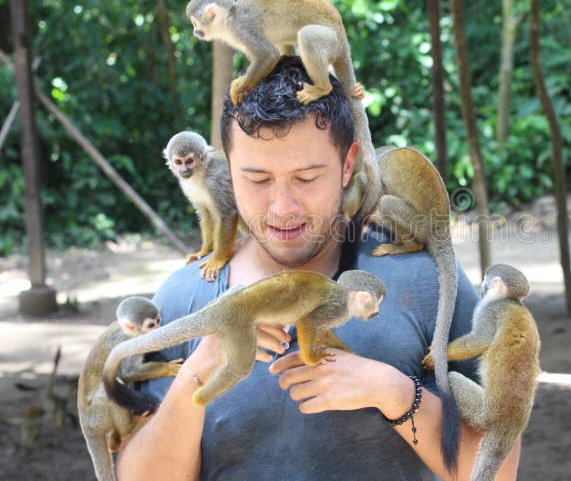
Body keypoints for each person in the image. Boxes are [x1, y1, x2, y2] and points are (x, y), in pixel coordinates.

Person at [116, 56, 522, 480]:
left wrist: (398, 395)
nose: (283, 207)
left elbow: (499, 471)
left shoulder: (421, 280)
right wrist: (193, 379)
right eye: (256, 180)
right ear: (227, 172)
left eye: (307, 178)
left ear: (348, 166)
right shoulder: (185, 298)